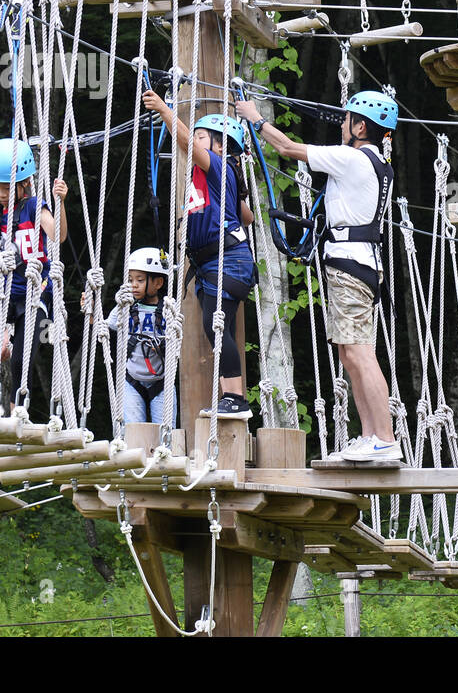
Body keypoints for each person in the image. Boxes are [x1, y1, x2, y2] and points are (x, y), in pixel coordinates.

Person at [234, 90, 401, 462]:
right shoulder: (373, 163)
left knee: (359, 352)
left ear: (361, 126)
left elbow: (289, 148)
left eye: (347, 120)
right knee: (349, 353)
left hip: (350, 264)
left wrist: (254, 117)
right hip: (355, 263)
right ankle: (372, 434)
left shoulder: (354, 159)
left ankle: (385, 438)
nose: (342, 126)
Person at [142, 91, 256, 420]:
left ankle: (234, 397)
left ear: (220, 146)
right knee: (217, 327)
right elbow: (246, 217)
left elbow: (185, 144)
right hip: (214, 261)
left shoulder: (218, 164)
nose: (195, 140)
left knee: (215, 325)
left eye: (202, 136)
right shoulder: (218, 175)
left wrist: (165, 109)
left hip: (226, 258)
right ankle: (231, 397)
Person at [0, 138, 67, 412]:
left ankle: (16, 408)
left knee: (22, 358)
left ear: (24, 183)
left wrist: (61, 204)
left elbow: (58, 235)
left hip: (35, 290)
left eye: (5, 188)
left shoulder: (34, 207)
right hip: (2, 287)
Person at [106, 247, 175, 427]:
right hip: (131, 380)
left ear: (158, 283)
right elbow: (108, 326)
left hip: (162, 382)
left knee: (165, 433)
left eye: (140, 280)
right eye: (130, 280)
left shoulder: (169, 310)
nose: (133, 285)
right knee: (133, 431)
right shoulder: (126, 306)